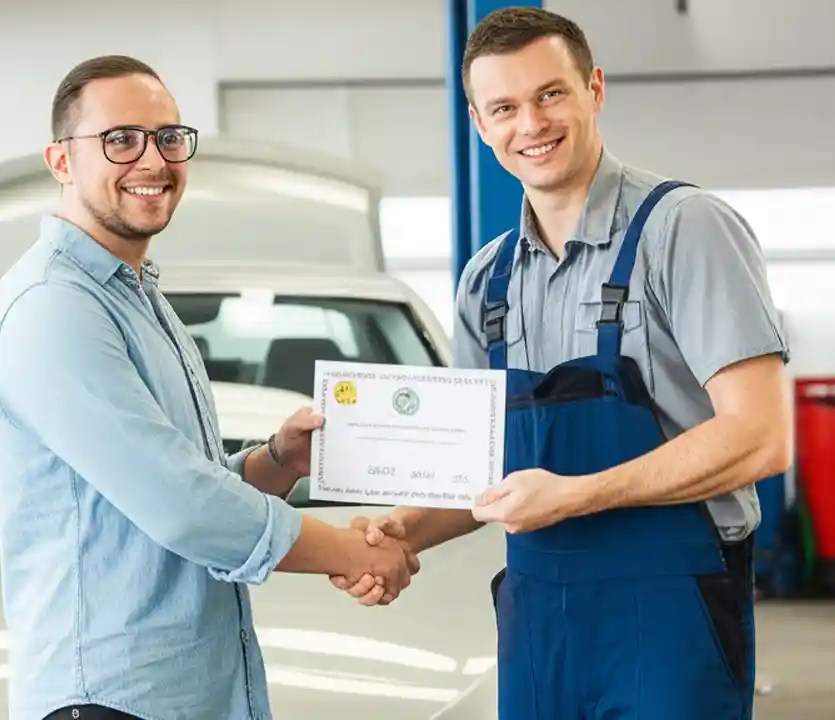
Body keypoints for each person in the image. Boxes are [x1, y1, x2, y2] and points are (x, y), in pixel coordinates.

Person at [333, 7, 791, 720]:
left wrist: (576, 495)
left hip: (671, 614)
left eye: (550, 94)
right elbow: (478, 473)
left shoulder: (684, 229)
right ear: (480, 126)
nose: (531, 124)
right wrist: (402, 532)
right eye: (504, 108)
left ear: (594, 89)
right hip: (539, 622)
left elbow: (759, 436)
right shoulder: (485, 281)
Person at [0, 55, 417, 720]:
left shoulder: (136, 296)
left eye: (168, 137)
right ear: (61, 160)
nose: (152, 160)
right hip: (112, 700)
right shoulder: (53, 309)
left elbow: (178, 482)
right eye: (120, 139)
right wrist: (352, 552)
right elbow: (183, 507)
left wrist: (278, 461)